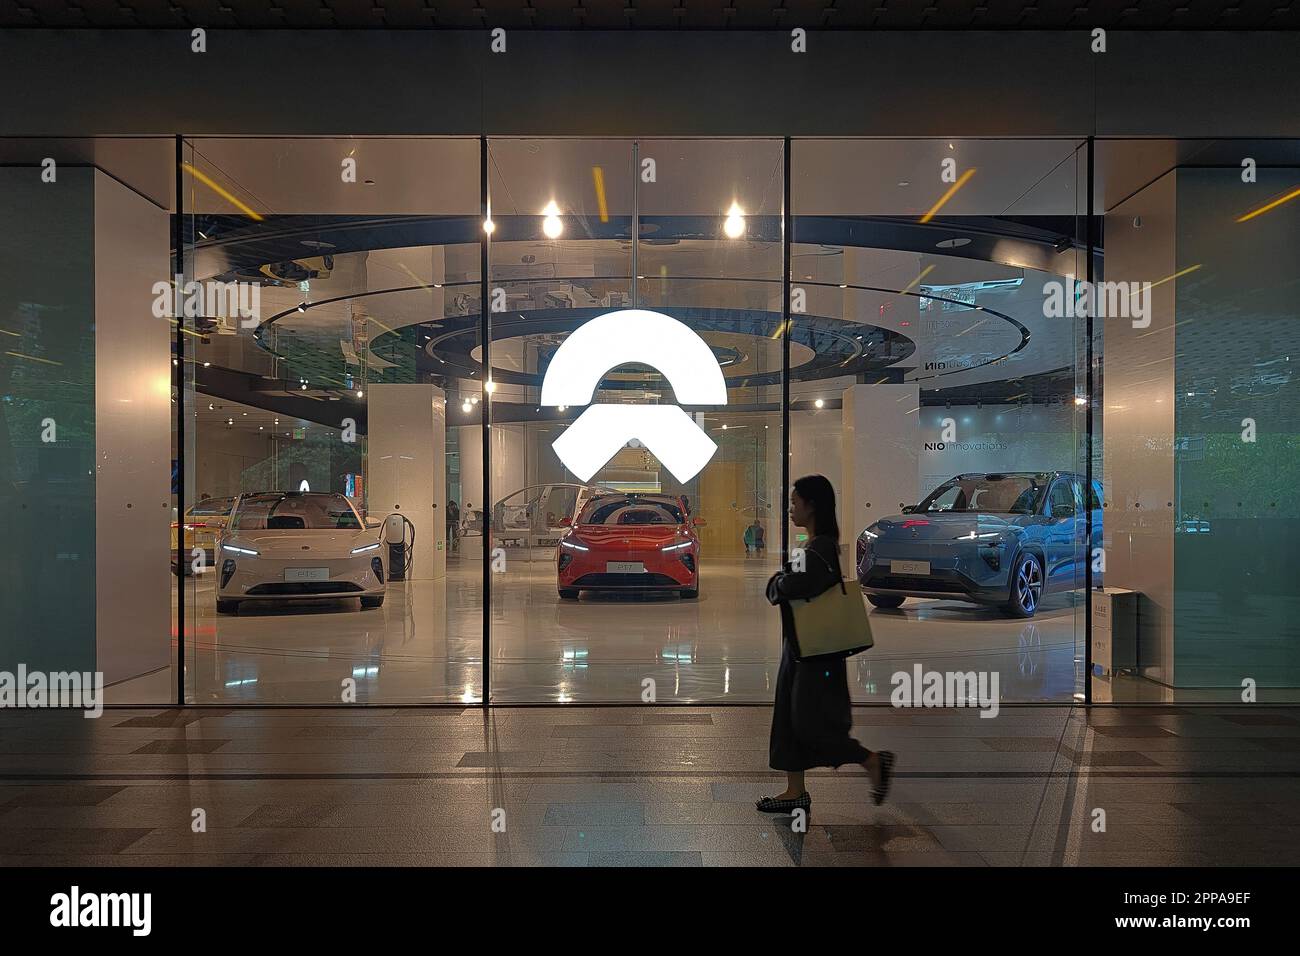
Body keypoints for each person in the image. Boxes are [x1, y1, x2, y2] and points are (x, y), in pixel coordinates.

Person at [757, 474, 895, 816]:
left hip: (817, 656)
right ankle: (794, 791)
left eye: (794, 502)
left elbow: (797, 585)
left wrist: (776, 584)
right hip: (803, 650)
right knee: (791, 720)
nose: (790, 509)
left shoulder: (820, 547)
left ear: (812, 504)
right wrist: (782, 582)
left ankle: (872, 761)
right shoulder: (815, 544)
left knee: (811, 725)